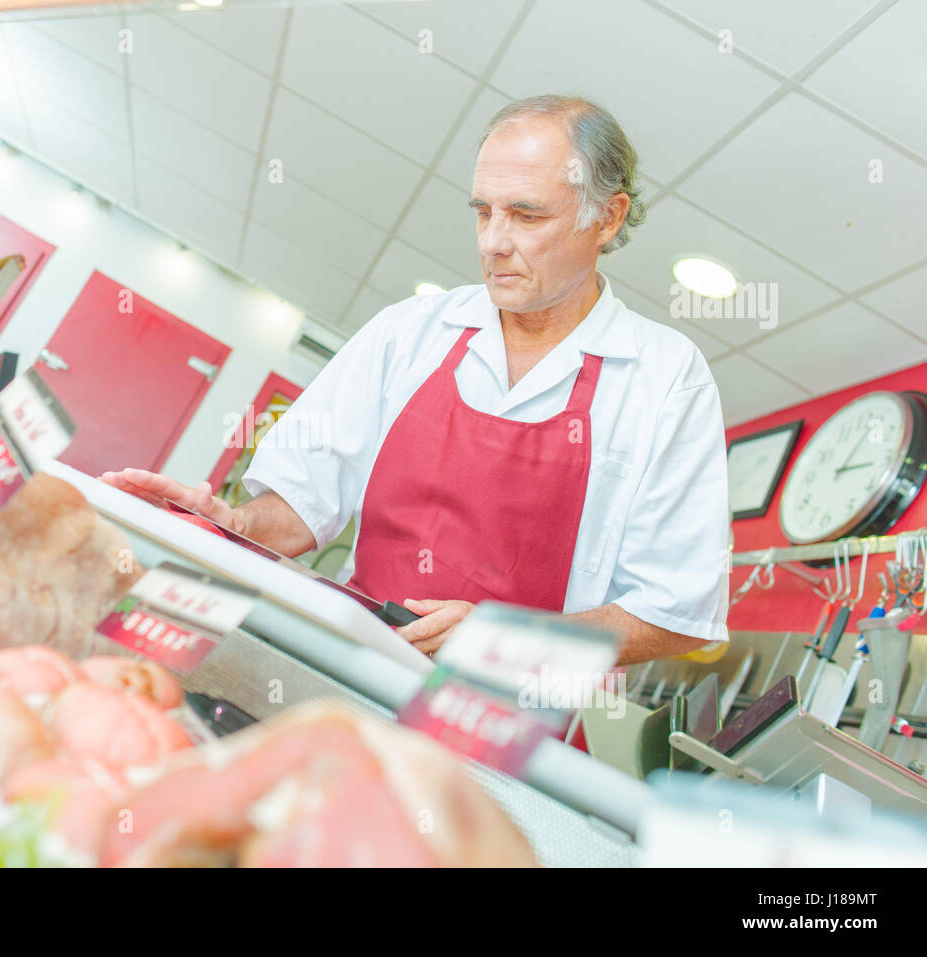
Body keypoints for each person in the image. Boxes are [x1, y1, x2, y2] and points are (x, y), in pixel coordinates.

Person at [103, 94, 729, 665]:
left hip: (505, 718)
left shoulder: (666, 379)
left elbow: (677, 615)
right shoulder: (411, 332)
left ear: (608, 218)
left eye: (527, 216)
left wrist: (507, 642)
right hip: (355, 666)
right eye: (484, 212)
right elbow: (301, 504)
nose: (493, 242)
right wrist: (234, 527)